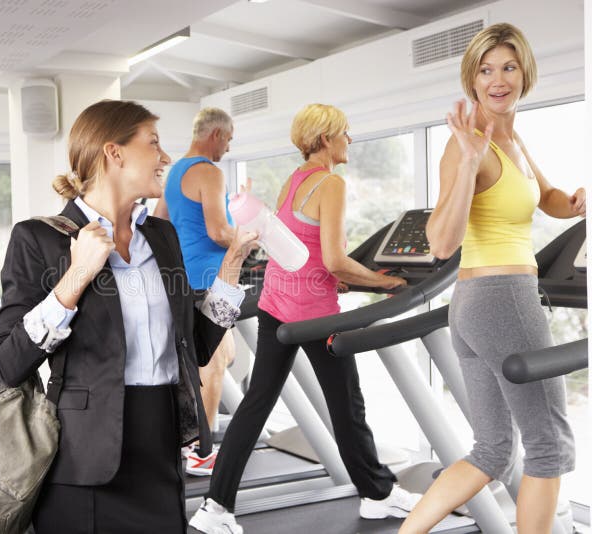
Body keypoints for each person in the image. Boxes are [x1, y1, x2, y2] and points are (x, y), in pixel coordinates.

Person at [0, 100, 258, 534]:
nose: (166, 157)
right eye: (153, 143)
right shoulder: (39, 239)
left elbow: (199, 347)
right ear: (114, 153)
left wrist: (231, 266)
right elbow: (8, 363)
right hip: (83, 461)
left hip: (161, 448)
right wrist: (76, 277)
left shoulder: (161, 235)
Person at [190, 103, 420, 534]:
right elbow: (333, 259)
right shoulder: (331, 183)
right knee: (347, 406)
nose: (349, 139)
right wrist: (384, 283)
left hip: (278, 308)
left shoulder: (292, 183)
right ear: (325, 139)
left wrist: (346, 279)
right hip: (314, 316)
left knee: (257, 403)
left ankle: (215, 507)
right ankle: (378, 494)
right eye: (345, 132)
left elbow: (299, 250)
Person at [399, 23, 583, 534]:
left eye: (507, 67)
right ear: (471, 79)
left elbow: (542, 194)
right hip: (504, 299)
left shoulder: (512, 135)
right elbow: (440, 243)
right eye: (484, 70)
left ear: (524, 72)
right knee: (549, 446)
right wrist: (469, 162)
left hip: (476, 305)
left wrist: (570, 204)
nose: (497, 80)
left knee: (494, 450)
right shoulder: (470, 144)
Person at [153, 107, 237, 475]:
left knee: (225, 356)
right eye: (229, 140)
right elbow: (220, 232)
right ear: (216, 134)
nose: (228, 149)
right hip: (206, 281)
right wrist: (251, 239)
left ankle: (185, 435)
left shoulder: (176, 174)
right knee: (214, 365)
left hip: (186, 280)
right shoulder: (209, 171)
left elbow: (157, 221)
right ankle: (202, 452)